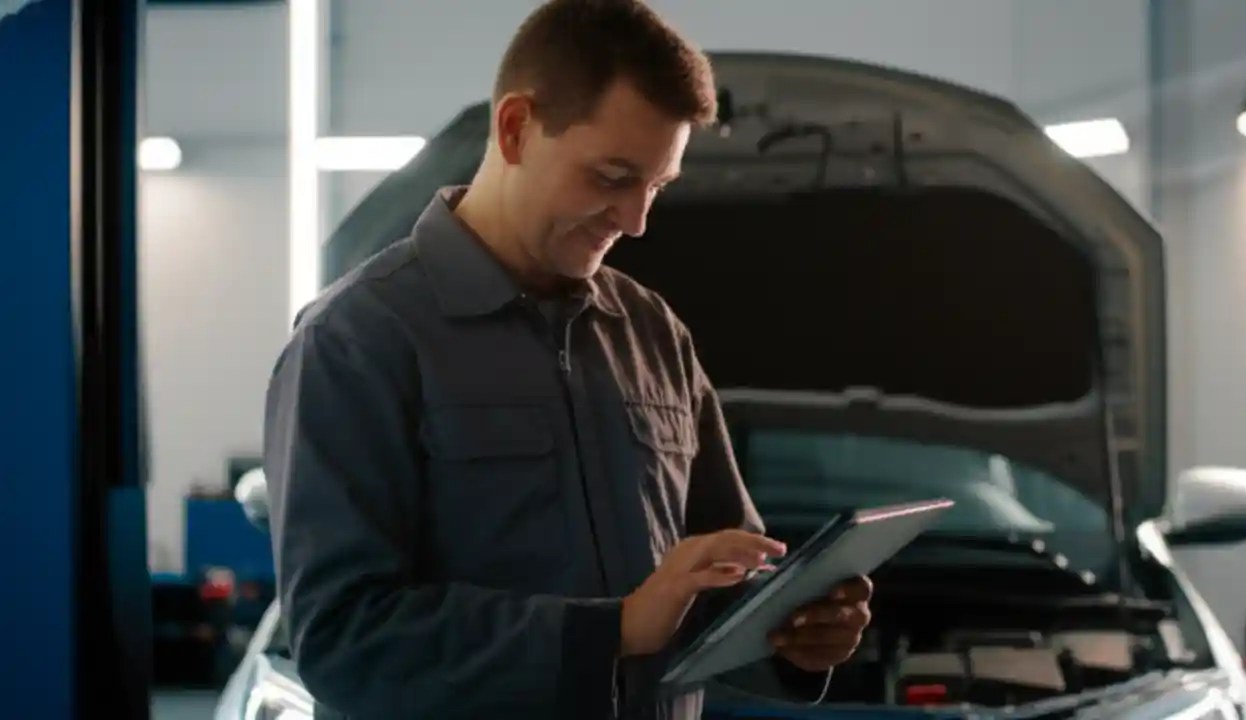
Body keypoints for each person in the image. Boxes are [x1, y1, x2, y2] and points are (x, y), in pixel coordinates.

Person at [262, 1, 872, 717]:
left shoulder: (651, 333)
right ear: (517, 128)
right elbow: (345, 639)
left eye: (657, 187)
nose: (637, 221)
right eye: (613, 177)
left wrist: (792, 630)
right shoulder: (357, 341)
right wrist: (608, 632)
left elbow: (717, 583)